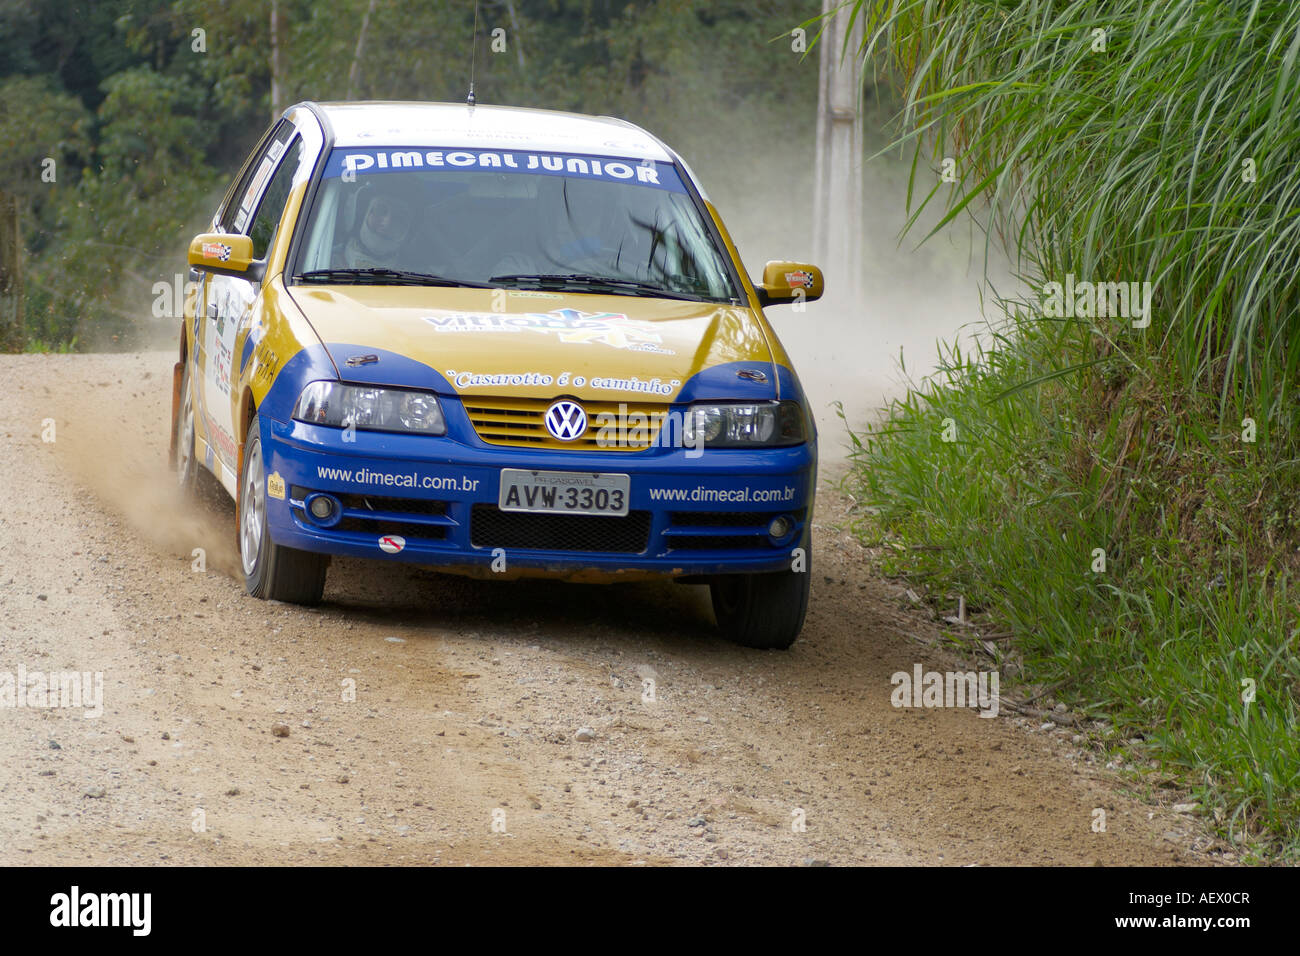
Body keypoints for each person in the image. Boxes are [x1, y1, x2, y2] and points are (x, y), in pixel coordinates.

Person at [341, 177, 417, 269]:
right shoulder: (324, 260)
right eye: (380, 210)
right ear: (362, 214)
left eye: (399, 218)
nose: (387, 223)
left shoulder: (420, 278)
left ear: (408, 232)